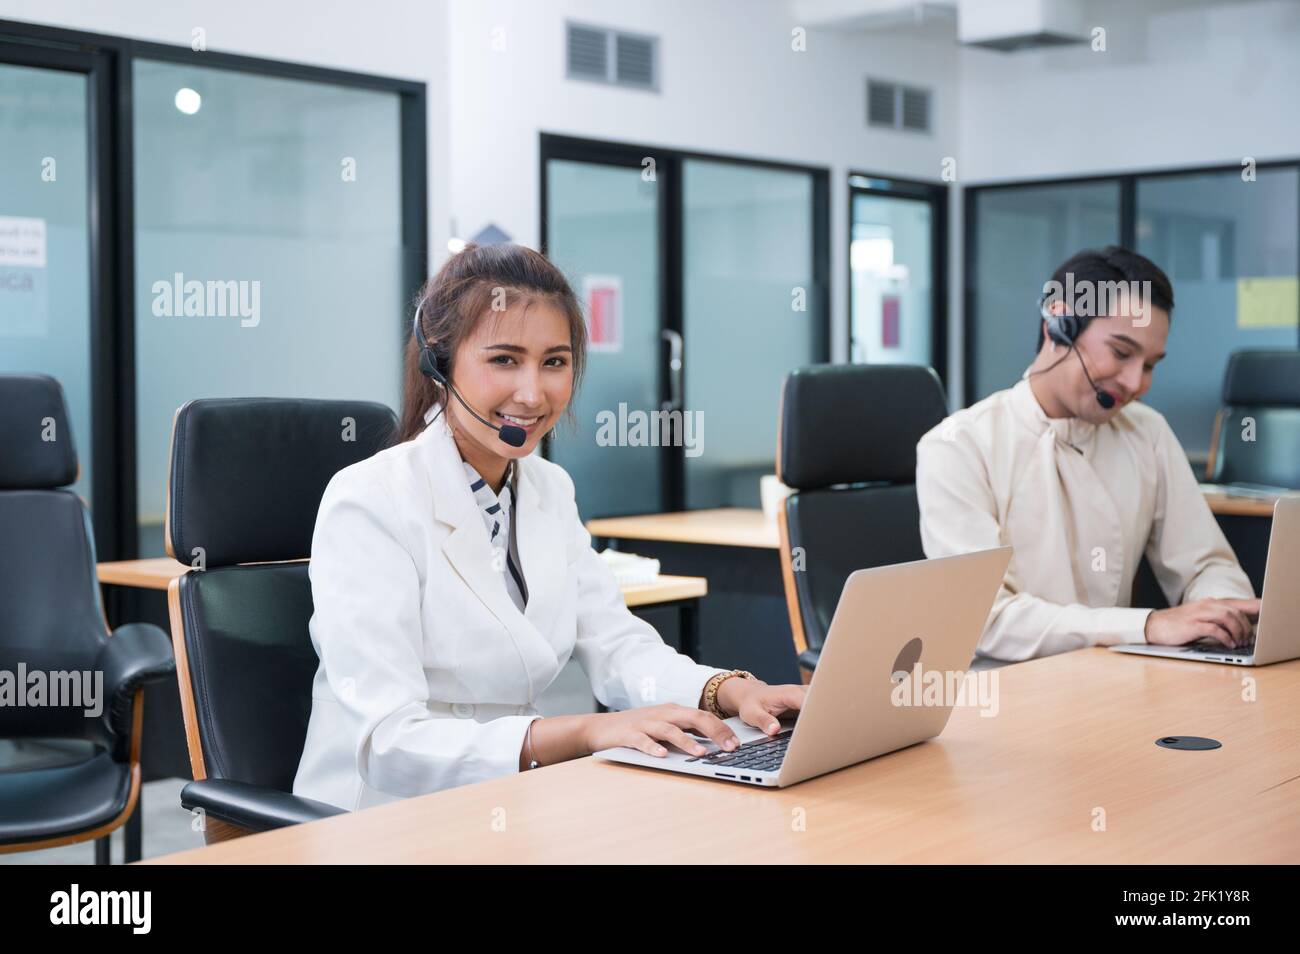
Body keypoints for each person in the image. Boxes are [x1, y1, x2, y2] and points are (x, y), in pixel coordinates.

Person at [294, 242, 806, 810]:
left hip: (510, 800)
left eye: (555, 362)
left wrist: (729, 691)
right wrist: (583, 733)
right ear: (439, 364)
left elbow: (616, 645)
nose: (533, 393)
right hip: (383, 817)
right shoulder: (371, 500)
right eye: (504, 360)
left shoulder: (547, 489)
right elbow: (390, 741)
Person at [915, 246, 1258, 663]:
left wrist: (1220, 615)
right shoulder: (958, 446)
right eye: (1121, 352)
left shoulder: (1146, 432)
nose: (1135, 382)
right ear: (1058, 323)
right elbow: (982, 618)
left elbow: (1204, 563)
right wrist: (1146, 625)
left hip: (1116, 679)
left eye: (1150, 364)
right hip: (1004, 691)